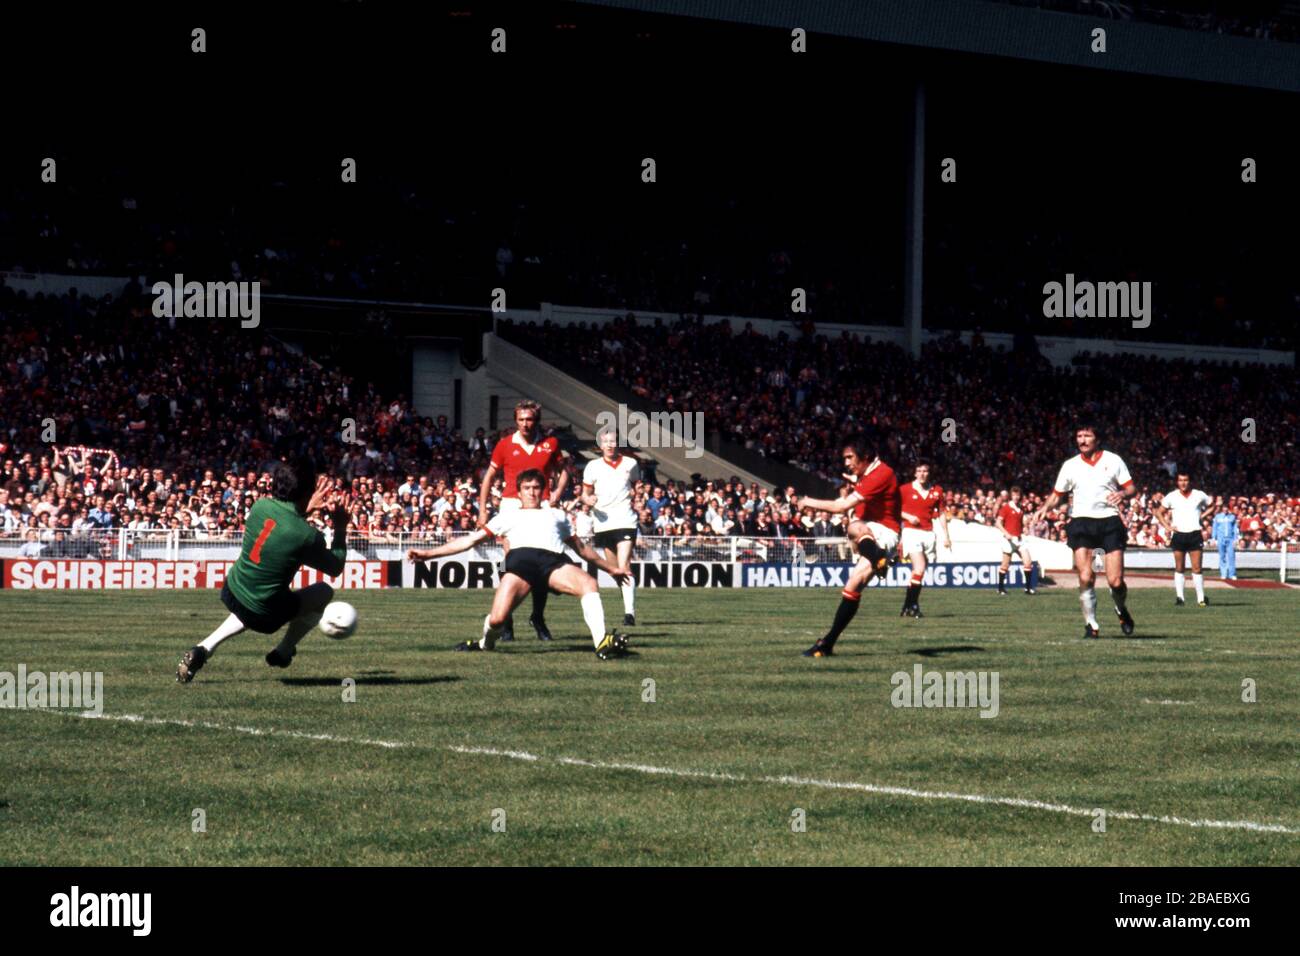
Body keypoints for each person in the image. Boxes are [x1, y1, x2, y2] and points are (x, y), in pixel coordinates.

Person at [409, 470, 630, 659]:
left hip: (552, 564)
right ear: (519, 491)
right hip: (520, 567)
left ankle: (601, 643)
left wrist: (611, 569)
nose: (532, 492)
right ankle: (485, 644)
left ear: (543, 490)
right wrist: (428, 554)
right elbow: (470, 541)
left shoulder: (557, 515)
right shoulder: (508, 516)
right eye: (527, 488)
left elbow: (581, 549)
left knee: (589, 584)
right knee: (497, 620)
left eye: (536, 487)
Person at [177, 458, 349, 682]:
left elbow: (284, 525)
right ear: (307, 492)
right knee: (324, 592)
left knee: (254, 603)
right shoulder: (306, 535)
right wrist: (341, 526)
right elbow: (335, 566)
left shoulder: (260, 506)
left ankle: (204, 648)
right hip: (265, 613)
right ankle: (284, 651)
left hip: (232, 590)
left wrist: (304, 508)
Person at [789, 433, 900, 657]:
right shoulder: (867, 474)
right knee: (852, 585)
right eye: (845, 458)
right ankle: (828, 643)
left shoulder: (881, 473)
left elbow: (841, 507)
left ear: (865, 456)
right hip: (871, 531)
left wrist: (808, 501)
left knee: (854, 527)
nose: (847, 463)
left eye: (850, 457)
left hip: (885, 531)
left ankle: (878, 555)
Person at [1031, 424, 1137, 639]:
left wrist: (1123, 494)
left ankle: (1121, 609)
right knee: (1086, 577)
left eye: (1087, 435)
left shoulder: (1113, 460)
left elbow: (1131, 488)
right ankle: (1091, 624)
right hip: (1081, 522)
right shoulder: (1070, 465)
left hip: (1109, 521)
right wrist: (1044, 508)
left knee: (1115, 581)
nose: (1082, 440)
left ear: (1097, 439)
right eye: (1079, 436)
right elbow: (1056, 494)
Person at [479, 400, 567, 641]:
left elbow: (565, 471)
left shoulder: (550, 444)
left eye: (529, 419)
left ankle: (537, 617)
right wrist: (482, 510)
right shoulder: (505, 445)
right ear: (515, 420)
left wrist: (557, 493)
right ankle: (506, 621)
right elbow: (488, 477)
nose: (525, 424)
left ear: (536, 420)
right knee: (509, 562)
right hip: (511, 507)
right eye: (521, 419)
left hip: (541, 506)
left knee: (542, 561)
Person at [580, 426, 640, 625]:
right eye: (605, 441)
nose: (609, 445)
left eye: (613, 441)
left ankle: (629, 614)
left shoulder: (631, 463)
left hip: (625, 520)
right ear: (600, 445)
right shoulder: (592, 467)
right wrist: (588, 500)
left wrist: (639, 495)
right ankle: (627, 599)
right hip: (603, 523)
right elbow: (584, 494)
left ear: (618, 442)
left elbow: (637, 485)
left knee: (624, 566)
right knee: (614, 570)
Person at [898, 461, 950, 619]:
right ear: (914, 473)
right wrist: (908, 516)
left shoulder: (937, 491)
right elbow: (893, 508)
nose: (922, 474)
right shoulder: (904, 489)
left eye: (925, 471)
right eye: (919, 471)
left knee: (918, 572)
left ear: (929, 473)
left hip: (929, 534)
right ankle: (914, 606)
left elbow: (941, 513)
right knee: (919, 568)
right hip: (911, 532)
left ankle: (907, 606)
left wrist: (946, 536)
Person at [1154, 471, 1214, 606]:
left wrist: (1202, 516)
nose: (1183, 483)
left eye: (1186, 480)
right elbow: (1159, 512)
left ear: (1190, 481)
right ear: (1177, 482)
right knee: (1179, 567)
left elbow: (1212, 505)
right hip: (1179, 534)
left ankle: (1201, 599)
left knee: (1197, 568)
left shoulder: (1199, 495)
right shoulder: (1172, 496)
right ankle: (1180, 598)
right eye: (1180, 480)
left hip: (1194, 533)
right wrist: (1167, 527)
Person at [995, 486, 1036, 596]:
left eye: (1018, 495)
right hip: (1009, 540)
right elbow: (998, 523)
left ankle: (1027, 588)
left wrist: (1025, 527)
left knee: (1028, 562)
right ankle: (1000, 588)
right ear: (1010, 496)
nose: (1016, 497)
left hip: (1020, 539)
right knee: (1005, 565)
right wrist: (1006, 533)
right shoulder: (1006, 508)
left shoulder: (1021, 508)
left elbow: (1021, 522)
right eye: (1014, 495)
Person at [1211, 507, 1239, 580]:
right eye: (1224, 509)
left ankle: (1232, 574)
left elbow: (1235, 528)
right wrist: (1214, 538)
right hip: (1221, 538)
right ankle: (1223, 573)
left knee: (1231, 556)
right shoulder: (1218, 517)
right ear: (1222, 509)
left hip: (1230, 538)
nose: (1225, 510)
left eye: (1227, 509)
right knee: (1222, 556)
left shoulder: (1232, 517)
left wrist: (1236, 538)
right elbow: (1215, 527)